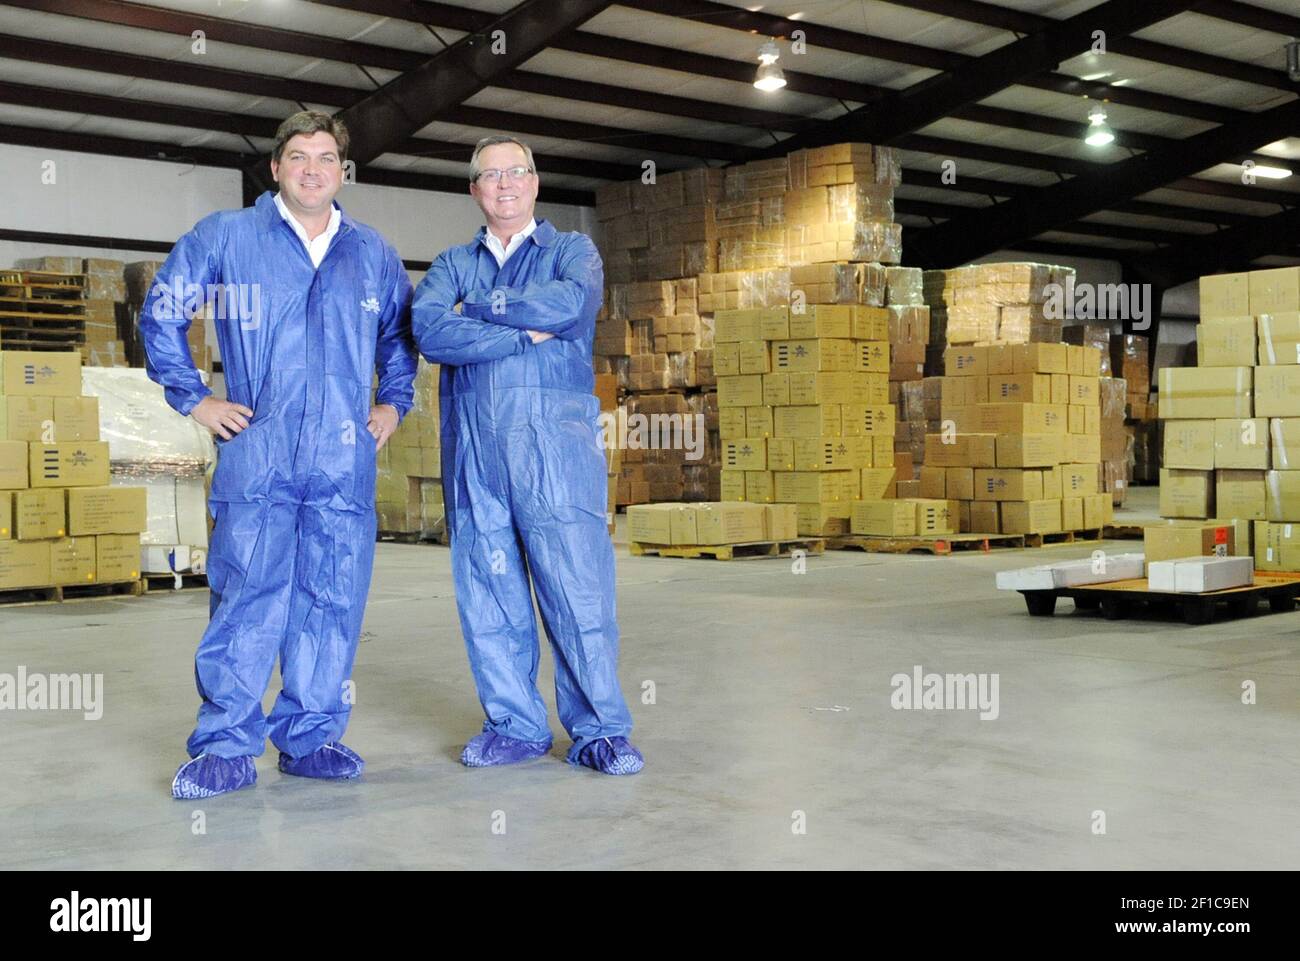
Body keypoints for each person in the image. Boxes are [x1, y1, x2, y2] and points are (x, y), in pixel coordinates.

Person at [140, 111, 418, 799]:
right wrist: (194, 398)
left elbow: (397, 338)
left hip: (341, 460)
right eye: (299, 157)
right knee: (247, 598)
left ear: (342, 170)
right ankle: (226, 745)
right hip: (258, 452)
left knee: (331, 598)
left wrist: (395, 401)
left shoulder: (371, 251)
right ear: (275, 168)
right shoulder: (228, 238)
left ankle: (312, 735)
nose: (314, 169)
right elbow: (162, 311)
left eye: (327, 158)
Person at [412, 136, 643, 775]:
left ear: (535, 183)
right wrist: (524, 331)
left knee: (578, 589)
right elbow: (430, 330)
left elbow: (572, 306)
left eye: (516, 172)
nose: (504, 184)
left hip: (555, 452)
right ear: (474, 190)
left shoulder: (572, 250)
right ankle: (514, 725)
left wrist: (481, 313)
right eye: (490, 175)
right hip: (476, 456)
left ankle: (599, 730)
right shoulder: (453, 263)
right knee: (489, 593)